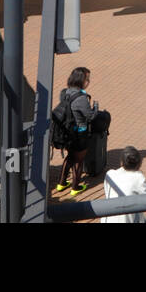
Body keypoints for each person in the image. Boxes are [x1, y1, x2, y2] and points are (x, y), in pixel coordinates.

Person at [55, 67, 111, 196]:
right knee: (79, 160)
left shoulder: (64, 92)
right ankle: (75, 187)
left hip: (67, 132)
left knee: (70, 157)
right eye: (87, 79)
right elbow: (90, 116)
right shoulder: (81, 98)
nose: (88, 81)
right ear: (81, 80)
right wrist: (96, 107)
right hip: (80, 133)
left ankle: (61, 183)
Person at [102, 146, 146, 223]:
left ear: (121, 162)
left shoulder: (109, 174)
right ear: (139, 163)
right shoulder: (138, 178)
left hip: (107, 219)